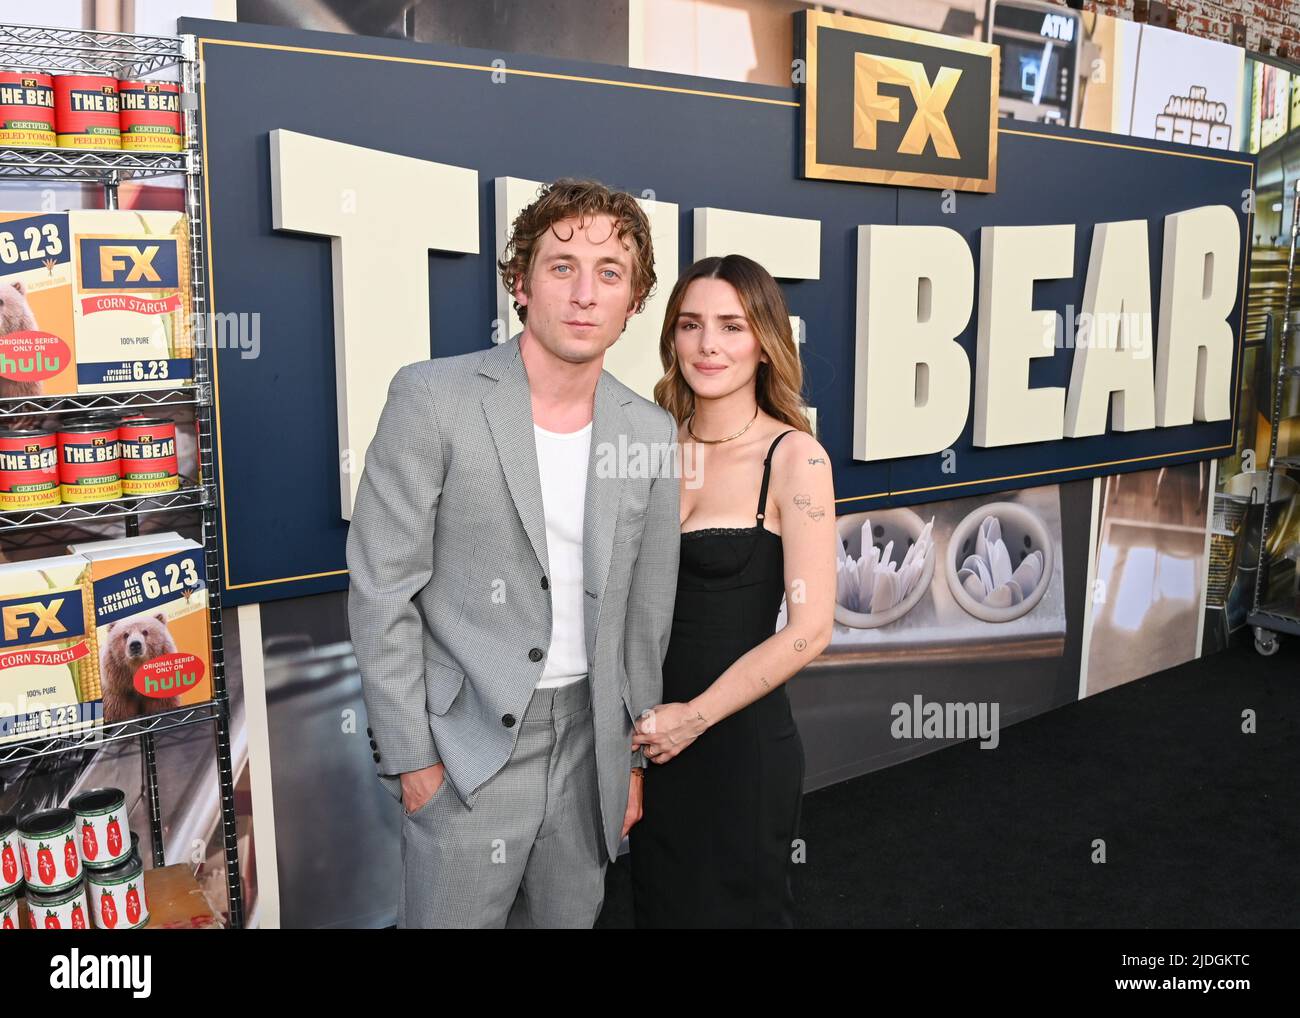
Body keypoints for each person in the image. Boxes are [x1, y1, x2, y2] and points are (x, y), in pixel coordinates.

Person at [346, 178, 680, 928]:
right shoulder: (433, 398)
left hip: (591, 746)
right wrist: (413, 761)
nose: (585, 293)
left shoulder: (650, 432)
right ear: (521, 283)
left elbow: (644, 619)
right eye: (562, 266)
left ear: (633, 303)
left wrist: (627, 764)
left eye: (610, 273)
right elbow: (381, 589)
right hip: (463, 751)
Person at [629, 254, 836, 928]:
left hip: (737, 744)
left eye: (732, 326)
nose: (708, 345)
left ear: (765, 343)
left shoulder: (795, 457)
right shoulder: (652, 449)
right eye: (691, 325)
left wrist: (694, 717)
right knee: (659, 909)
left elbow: (810, 629)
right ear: (672, 338)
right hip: (652, 745)